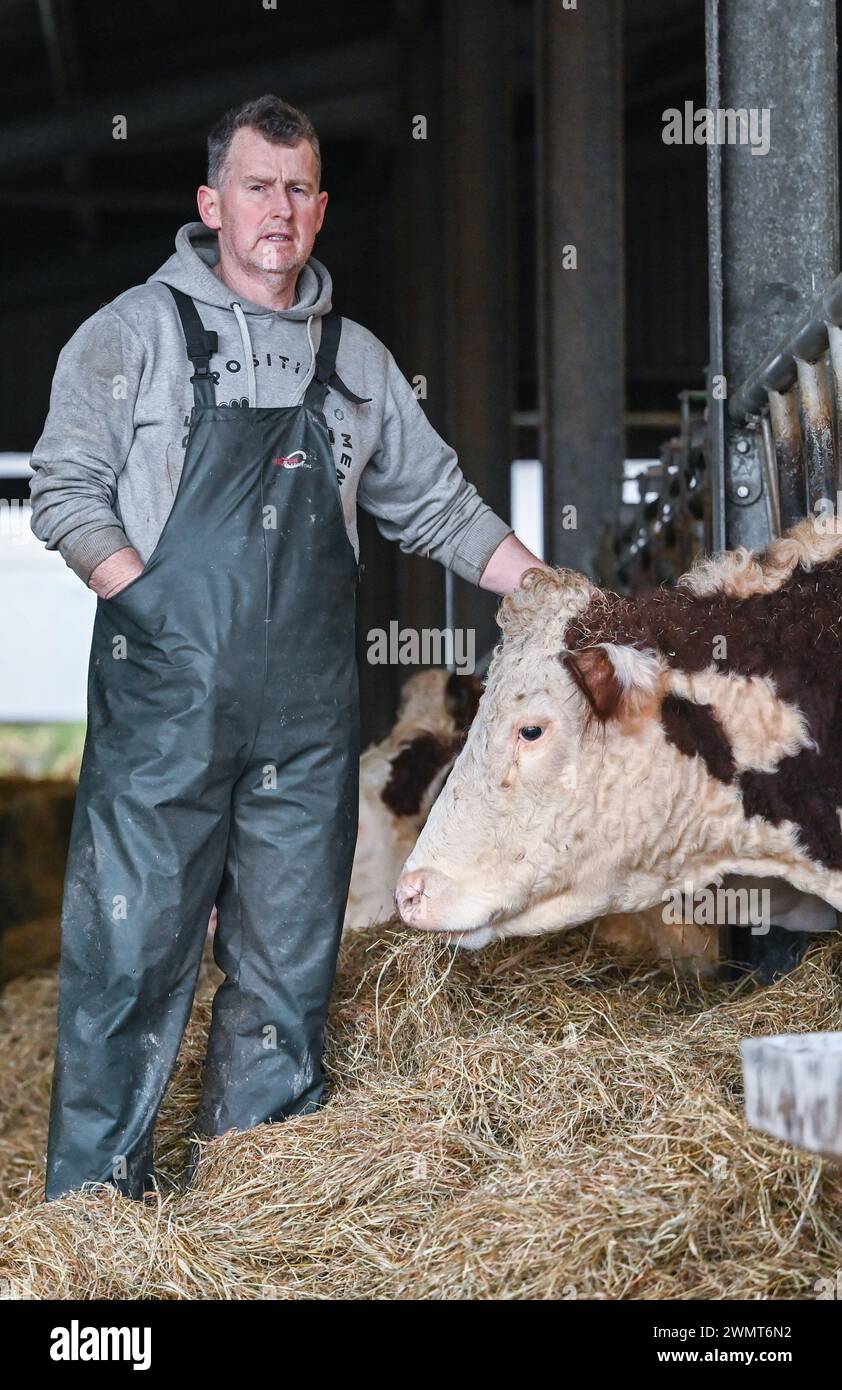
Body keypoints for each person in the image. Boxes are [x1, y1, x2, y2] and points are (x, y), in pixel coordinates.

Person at [29, 94, 545, 1202]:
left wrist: (550, 594)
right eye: (256, 185)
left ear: (319, 208)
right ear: (212, 203)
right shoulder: (133, 335)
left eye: (299, 188)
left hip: (306, 727)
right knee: (129, 959)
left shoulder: (356, 362)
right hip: (167, 709)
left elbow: (441, 509)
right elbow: (64, 493)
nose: (279, 208)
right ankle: (93, 1215)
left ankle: (250, 1207)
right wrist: (154, 613)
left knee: (286, 967)